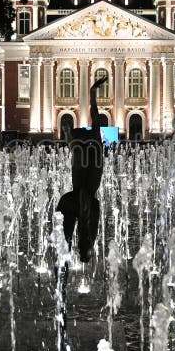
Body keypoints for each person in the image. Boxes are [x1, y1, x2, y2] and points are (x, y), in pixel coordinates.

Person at [56, 74, 109, 262]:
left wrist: (93, 93)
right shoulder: (93, 141)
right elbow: (94, 116)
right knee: (84, 221)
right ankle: (73, 250)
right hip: (83, 197)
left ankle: (68, 253)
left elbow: (93, 117)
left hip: (78, 197)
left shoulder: (82, 144)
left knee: (73, 227)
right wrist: (92, 93)